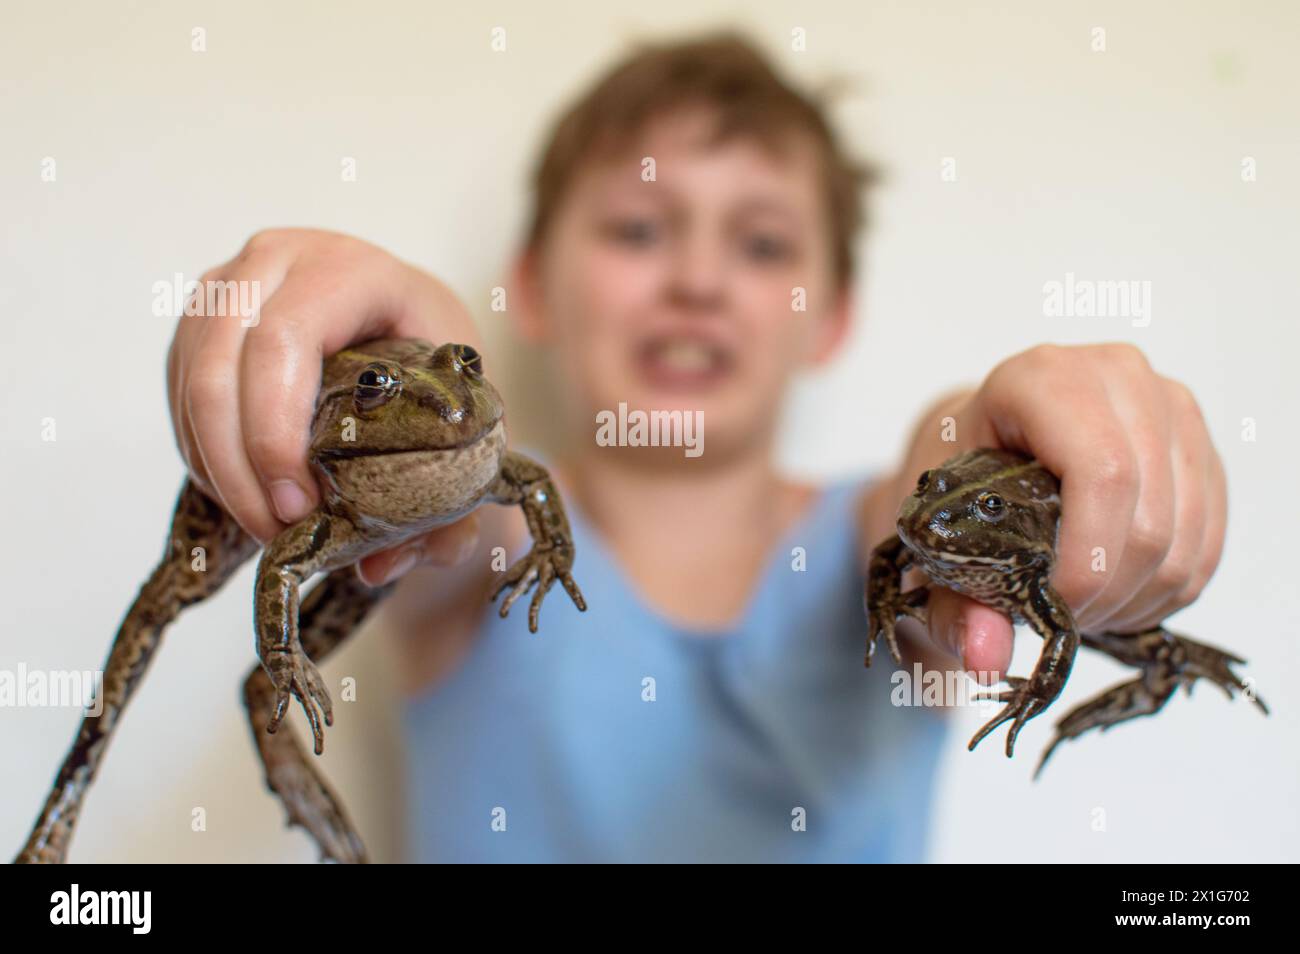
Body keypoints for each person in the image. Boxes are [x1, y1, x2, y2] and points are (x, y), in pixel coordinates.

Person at [165, 35, 1226, 861]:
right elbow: (454, 503)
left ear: (830, 317)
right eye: (636, 228)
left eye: (762, 243)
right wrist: (417, 343)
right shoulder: (477, 555)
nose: (698, 279)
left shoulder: (872, 547)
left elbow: (930, 479)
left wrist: (1000, 426)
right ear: (532, 286)